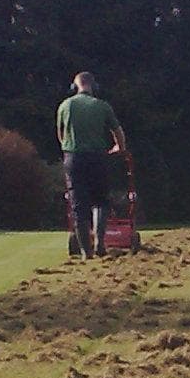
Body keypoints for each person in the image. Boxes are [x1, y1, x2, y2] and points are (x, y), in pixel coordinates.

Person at [56, 71, 126, 258]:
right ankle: (100, 244)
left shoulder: (65, 106)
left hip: (73, 158)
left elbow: (61, 135)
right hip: (98, 158)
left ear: (74, 86)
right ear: (94, 86)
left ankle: (86, 252)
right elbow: (117, 130)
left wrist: (68, 150)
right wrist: (119, 147)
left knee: (78, 205)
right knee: (101, 201)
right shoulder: (102, 106)